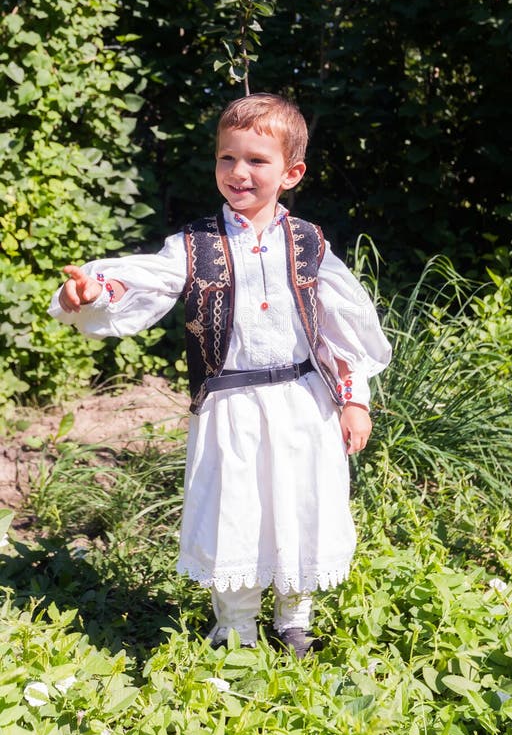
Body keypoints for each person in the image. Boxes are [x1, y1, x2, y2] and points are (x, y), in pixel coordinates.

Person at [50, 92, 391, 657]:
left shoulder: (307, 243)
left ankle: (294, 619)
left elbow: (340, 327)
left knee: (301, 504)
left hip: (304, 402)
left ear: (291, 172)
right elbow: (145, 283)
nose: (239, 172)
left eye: (257, 160)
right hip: (231, 406)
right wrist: (93, 291)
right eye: (227, 158)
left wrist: (354, 400)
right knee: (239, 509)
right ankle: (235, 625)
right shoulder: (196, 245)